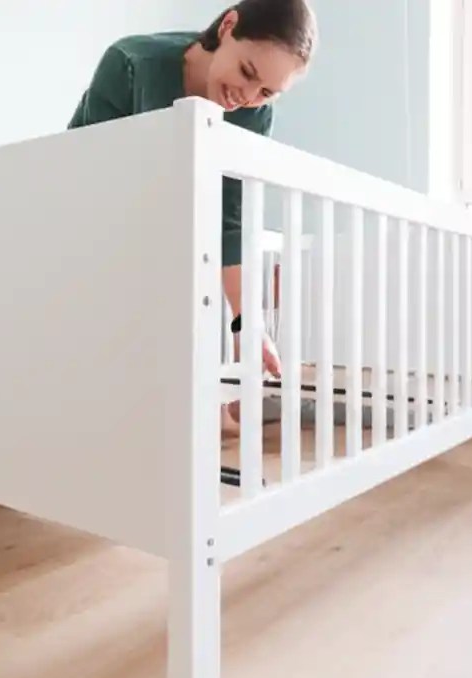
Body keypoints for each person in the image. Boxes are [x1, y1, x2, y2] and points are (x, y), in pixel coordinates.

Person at [67, 0, 318, 434]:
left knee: (192, 259)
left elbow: (230, 220)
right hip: (85, 213)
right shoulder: (131, 64)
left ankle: (191, 404)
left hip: (164, 223)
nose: (248, 96)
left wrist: (246, 323)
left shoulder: (253, 114)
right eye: (246, 72)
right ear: (228, 26)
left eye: (266, 92)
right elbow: (90, 181)